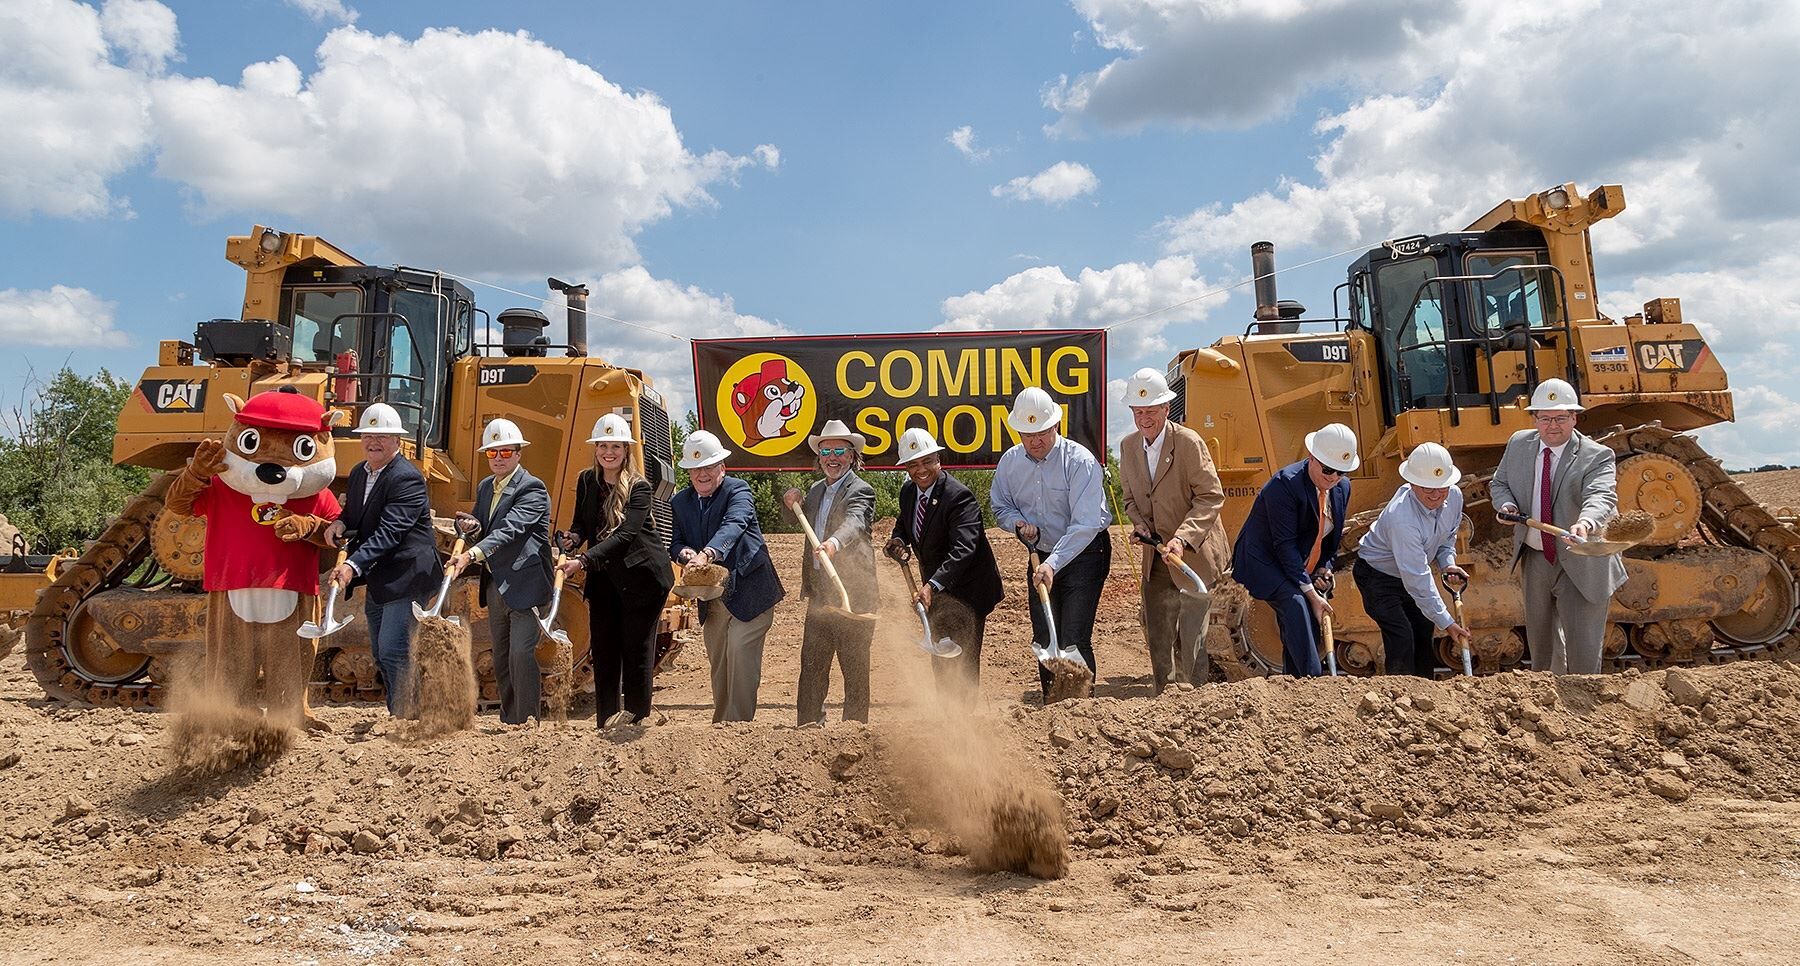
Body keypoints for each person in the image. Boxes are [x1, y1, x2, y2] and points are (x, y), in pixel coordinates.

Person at [1487, 378, 1627, 674]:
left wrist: (1585, 523)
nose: (1552, 426)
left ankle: (1584, 699)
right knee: (1542, 653)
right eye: (1545, 418)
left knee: (1582, 654)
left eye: (1561, 418)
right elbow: (1499, 483)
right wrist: (1507, 505)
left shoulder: (1596, 455)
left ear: (1574, 418)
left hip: (1582, 558)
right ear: (1534, 419)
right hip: (1536, 557)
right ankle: (1548, 700)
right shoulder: (1518, 445)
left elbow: (1601, 496)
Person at [990, 386, 1112, 698]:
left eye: (1042, 432)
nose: (1035, 441)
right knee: (1045, 636)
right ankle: (1053, 705)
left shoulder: (1080, 461)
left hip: (1085, 553)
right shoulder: (1009, 464)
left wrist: (1052, 564)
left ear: (1056, 424)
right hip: (1040, 554)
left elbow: (1085, 524)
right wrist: (1017, 523)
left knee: (1073, 638)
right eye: (1027, 434)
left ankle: (1081, 708)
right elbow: (1000, 506)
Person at [326, 403, 444, 718]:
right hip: (381, 576)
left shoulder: (406, 478)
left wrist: (351, 565)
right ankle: (400, 712)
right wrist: (340, 522)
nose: (373, 441)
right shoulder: (359, 473)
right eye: (368, 435)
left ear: (397, 440)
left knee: (394, 649)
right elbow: (356, 514)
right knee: (381, 653)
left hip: (408, 574)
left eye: (382, 436)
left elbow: (390, 532)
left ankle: (407, 719)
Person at [1116, 368, 1230, 692]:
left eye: (1151, 411)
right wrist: (1139, 524)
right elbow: (1129, 499)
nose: (1144, 419)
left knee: (1192, 638)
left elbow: (1210, 497)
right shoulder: (1128, 447)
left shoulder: (1188, 442)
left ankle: (1193, 700)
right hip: (1156, 556)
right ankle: (1164, 698)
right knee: (1159, 634)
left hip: (1192, 555)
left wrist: (1182, 538)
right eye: (1138, 412)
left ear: (1166, 408)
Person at [561, 414, 676, 727]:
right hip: (604, 577)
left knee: (636, 650)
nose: (608, 452)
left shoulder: (640, 488)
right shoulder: (587, 481)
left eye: (615, 446)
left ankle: (637, 721)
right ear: (595, 449)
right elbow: (581, 524)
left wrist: (583, 560)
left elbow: (625, 535)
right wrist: (573, 539)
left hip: (642, 579)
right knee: (604, 651)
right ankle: (606, 723)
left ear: (626, 450)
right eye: (602, 445)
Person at [669, 430, 784, 722]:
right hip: (713, 598)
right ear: (688, 472)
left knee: (740, 651)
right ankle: (722, 726)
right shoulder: (680, 502)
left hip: (750, 592)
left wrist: (706, 554)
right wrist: (685, 554)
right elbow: (676, 542)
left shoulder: (738, 491)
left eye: (709, 467)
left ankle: (738, 726)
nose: (702, 474)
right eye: (696, 469)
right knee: (719, 662)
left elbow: (734, 524)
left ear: (722, 467)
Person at [887, 427, 1003, 707]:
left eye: (927, 461)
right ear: (906, 468)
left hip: (968, 590)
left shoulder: (959, 497)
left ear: (939, 459)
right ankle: (946, 717)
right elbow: (904, 524)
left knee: (963, 659)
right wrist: (898, 541)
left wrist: (931, 586)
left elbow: (964, 549)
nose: (921, 470)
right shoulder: (908, 492)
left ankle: (965, 720)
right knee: (940, 656)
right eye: (913, 464)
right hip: (936, 590)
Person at [1230, 422, 1357, 677]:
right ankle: (1313, 683)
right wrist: (1310, 592)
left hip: (1296, 562)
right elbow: (1284, 545)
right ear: (1312, 457)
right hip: (1264, 561)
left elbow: (1329, 542)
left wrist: (1324, 569)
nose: (1333, 477)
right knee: (1297, 604)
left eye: (1341, 472)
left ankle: (1292, 684)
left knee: (1304, 622)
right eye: (1328, 469)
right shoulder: (1284, 485)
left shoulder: (1341, 488)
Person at [448, 418, 552, 726]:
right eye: (492, 452)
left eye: (506, 451)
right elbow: (484, 528)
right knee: (502, 657)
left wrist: (471, 554)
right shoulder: (485, 487)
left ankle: (528, 721)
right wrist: (470, 526)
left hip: (527, 584)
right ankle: (510, 720)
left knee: (521, 653)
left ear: (519, 453)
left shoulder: (532, 488)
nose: (498, 458)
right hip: (496, 583)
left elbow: (510, 530)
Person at [783, 419, 878, 725]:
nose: (832, 458)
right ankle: (808, 726)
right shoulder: (814, 491)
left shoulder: (861, 490)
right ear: (819, 457)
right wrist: (790, 503)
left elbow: (856, 521)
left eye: (839, 451)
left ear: (852, 456)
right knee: (812, 666)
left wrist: (834, 543)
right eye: (826, 452)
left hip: (854, 595)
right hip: (821, 595)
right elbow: (793, 519)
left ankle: (854, 731)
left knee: (855, 668)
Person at [1353, 442, 1472, 677]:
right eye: (1428, 488)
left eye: (1442, 487)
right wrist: (1448, 623)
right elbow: (1417, 578)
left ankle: (1424, 689)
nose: (1436, 495)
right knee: (1401, 634)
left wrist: (1448, 563)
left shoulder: (1455, 497)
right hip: (1378, 578)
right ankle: (1400, 692)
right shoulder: (1402, 518)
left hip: (1408, 572)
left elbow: (1447, 538)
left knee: (1423, 627)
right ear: (1412, 484)